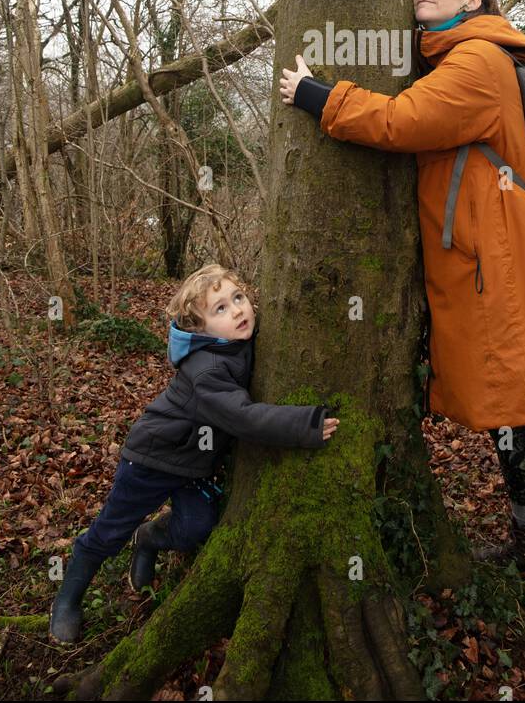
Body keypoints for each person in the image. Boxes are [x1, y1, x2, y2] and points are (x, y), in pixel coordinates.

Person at [279, 0, 525, 683]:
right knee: (505, 418)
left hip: (499, 279)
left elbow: (406, 121)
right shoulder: (461, 53)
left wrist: (318, 95)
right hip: (483, 270)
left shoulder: (477, 60)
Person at [49, 262, 339, 644]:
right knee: (108, 532)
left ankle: (149, 538)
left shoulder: (237, 341)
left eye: (239, 298)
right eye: (220, 308)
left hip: (194, 463)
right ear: (199, 331)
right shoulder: (208, 369)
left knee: (197, 527)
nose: (237, 310)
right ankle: (67, 598)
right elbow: (243, 417)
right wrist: (305, 425)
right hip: (151, 460)